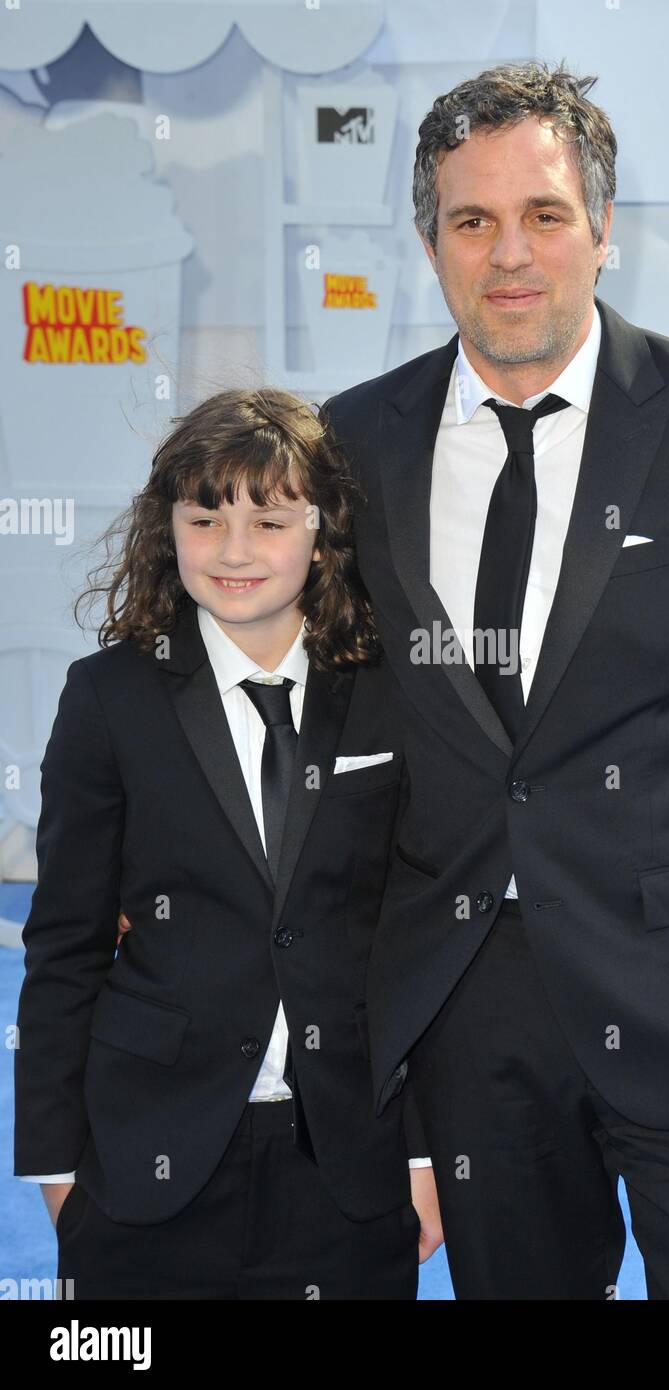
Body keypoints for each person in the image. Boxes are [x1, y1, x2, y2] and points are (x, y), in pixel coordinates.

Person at [320, 61, 669, 1299]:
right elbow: (347, 746)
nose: (507, 254)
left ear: (603, 229)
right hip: (473, 1026)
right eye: (471, 221)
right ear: (430, 243)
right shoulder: (355, 443)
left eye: (543, 215)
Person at [14, 386, 437, 1299]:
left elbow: (421, 939)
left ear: (323, 532)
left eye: (271, 520)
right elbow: (65, 942)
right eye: (205, 518)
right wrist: (54, 1166)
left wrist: (425, 1150)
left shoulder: (390, 694)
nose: (235, 551)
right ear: (167, 528)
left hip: (349, 1164)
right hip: (146, 1162)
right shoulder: (109, 698)